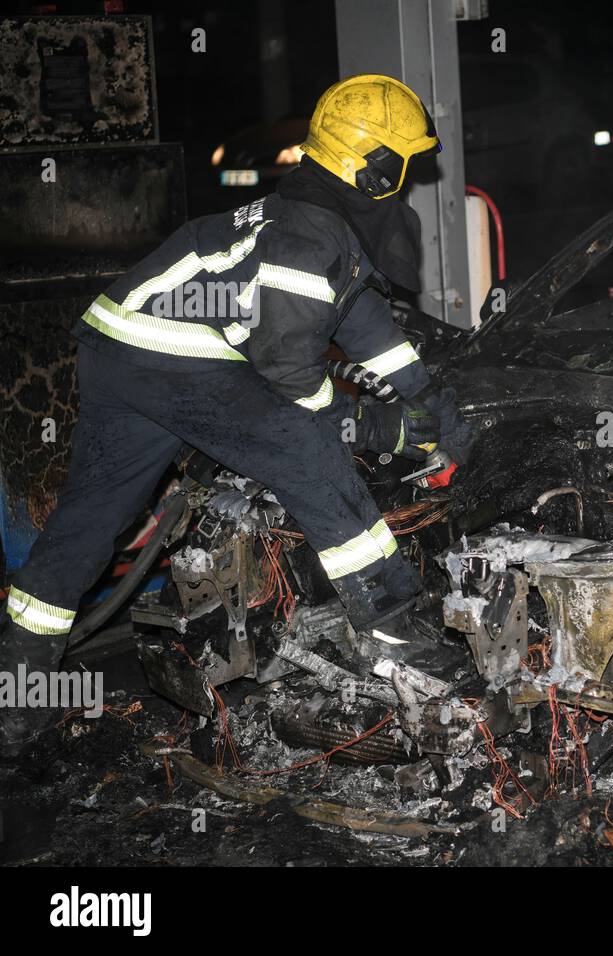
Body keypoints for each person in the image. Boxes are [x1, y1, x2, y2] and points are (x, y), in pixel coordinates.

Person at [0, 75, 475, 754]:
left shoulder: (315, 221)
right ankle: (398, 629)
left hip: (117, 343)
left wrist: (435, 411)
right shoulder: (310, 241)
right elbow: (291, 382)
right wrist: (376, 428)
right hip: (172, 352)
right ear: (374, 166)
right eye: (407, 160)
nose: (411, 174)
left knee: (87, 523)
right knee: (309, 452)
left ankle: (16, 702)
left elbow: (372, 331)